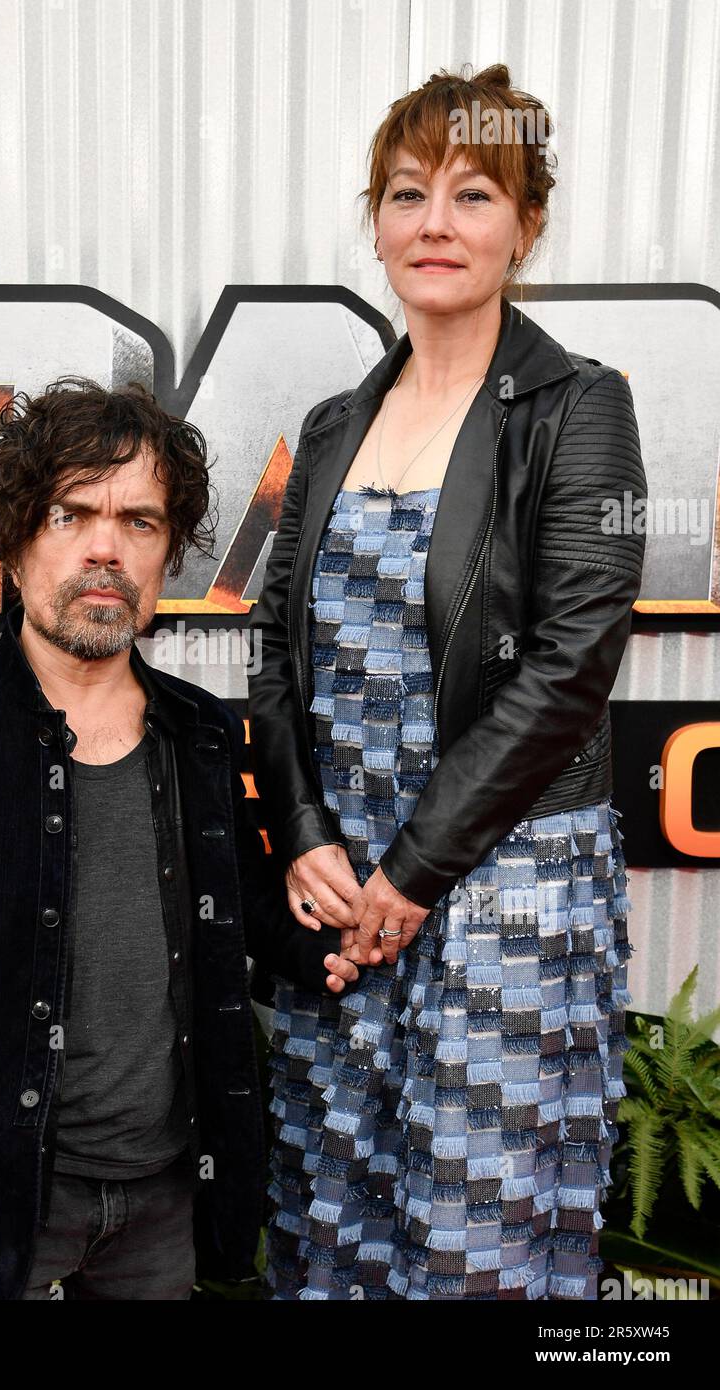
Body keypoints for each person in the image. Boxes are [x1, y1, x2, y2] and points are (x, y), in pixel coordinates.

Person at [0, 376, 359, 1301]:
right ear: (15, 546)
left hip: (166, 1196)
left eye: (140, 522)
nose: (106, 547)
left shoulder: (201, 734)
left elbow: (246, 914)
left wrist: (344, 937)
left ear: (167, 555)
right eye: (72, 515)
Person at [247, 63, 646, 1300]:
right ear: (375, 221)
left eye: (474, 195)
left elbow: (572, 668)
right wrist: (306, 833)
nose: (435, 223)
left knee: (481, 1246)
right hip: (342, 896)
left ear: (526, 227)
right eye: (408, 192)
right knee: (336, 1215)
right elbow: (272, 651)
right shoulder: (329, 426)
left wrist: (414, 876)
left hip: (498, 889)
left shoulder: (578, 410)